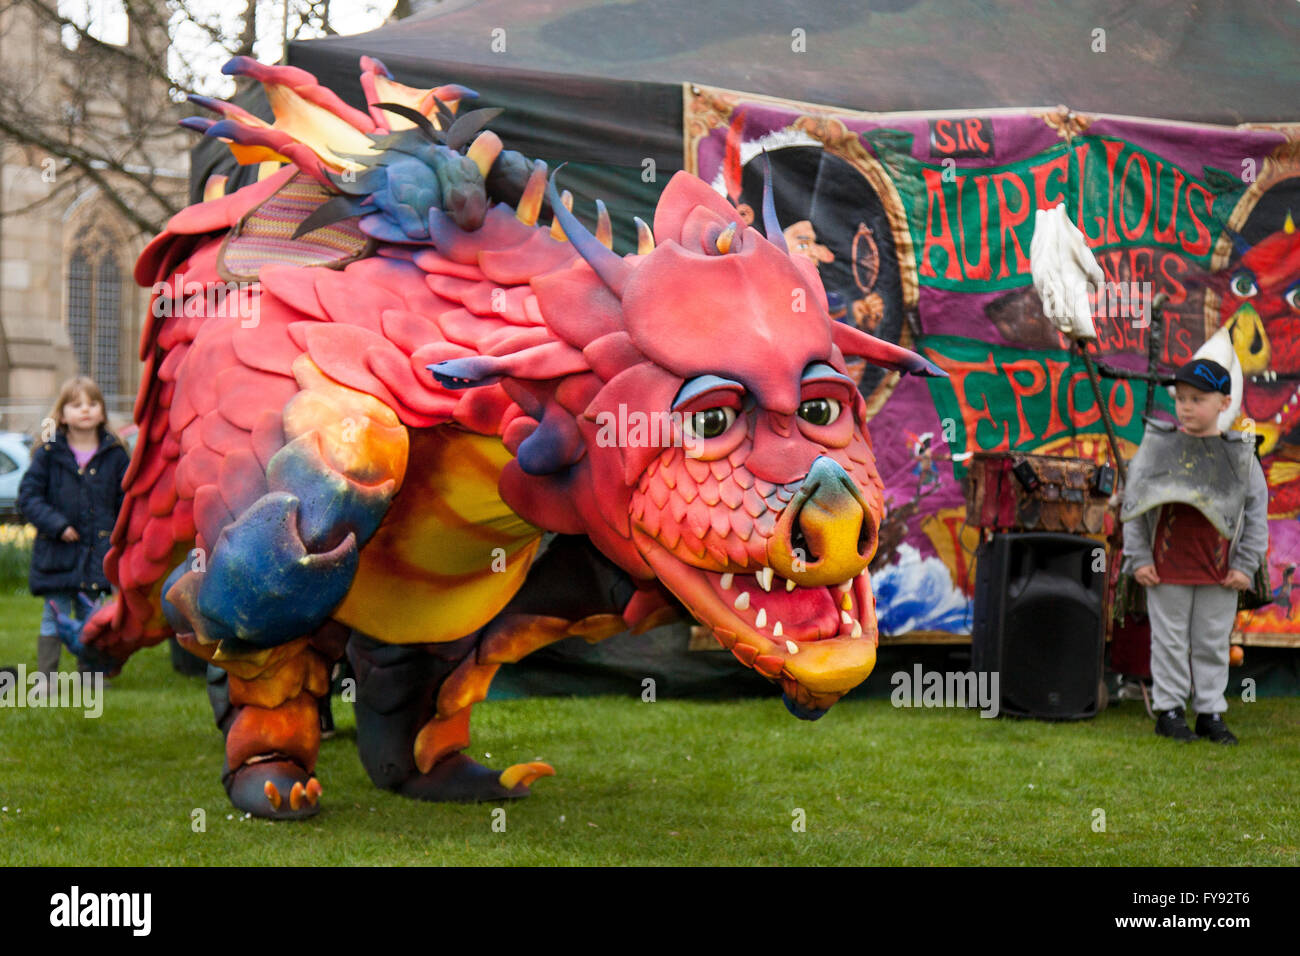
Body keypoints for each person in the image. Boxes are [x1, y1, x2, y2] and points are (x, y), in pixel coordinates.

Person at [1121, 358, 1268, 745]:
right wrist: (1140, 559)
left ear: (1224, 402)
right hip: (1166, 568)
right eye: (1181, 398)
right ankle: (1169, 711)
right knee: (1169, 642)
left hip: (1220, 570)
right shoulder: (1157, 448)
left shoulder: (1240, 456)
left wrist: (1245, 565)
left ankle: (1209, 713)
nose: (1185, 407)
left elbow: (1255, 515)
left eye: (1197, 399)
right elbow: (1133, 508)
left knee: (1213, 642)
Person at [17, 376, 130, 685]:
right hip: (56, 554)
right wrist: (58, 525)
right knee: (54, 616)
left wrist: (121, 540)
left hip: (98, 556)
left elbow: (127, 503)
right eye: (76, 404)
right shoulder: (49, 454)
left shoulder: (116, 456)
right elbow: (28, 497)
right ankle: (47, 678)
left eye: (92, 404)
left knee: (93, 619)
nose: (85, 410)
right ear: (62, 414)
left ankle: (91, 675)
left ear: (103, 412)